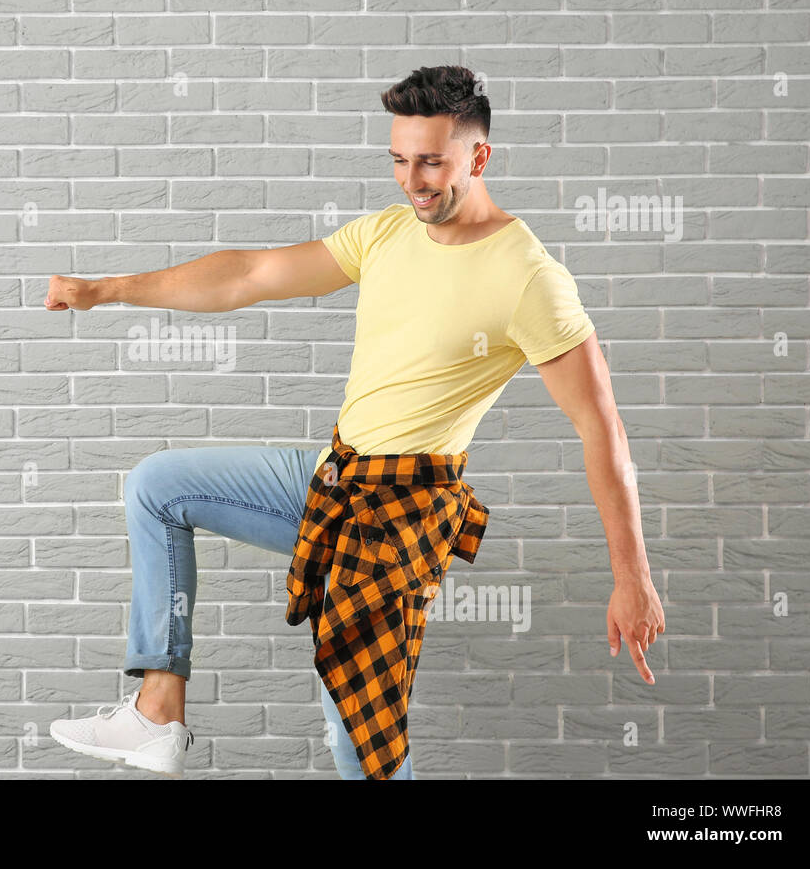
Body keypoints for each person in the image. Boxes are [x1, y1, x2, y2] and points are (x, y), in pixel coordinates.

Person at [43, 65, 666, 779]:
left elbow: (601, 426)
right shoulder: (386, 235)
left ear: (478, 156)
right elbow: (247, 274)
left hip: (401, 515)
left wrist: (633, 578)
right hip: (335, 477)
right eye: (400, 161)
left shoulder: (528, 276)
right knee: (158, 486)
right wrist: (110, 290)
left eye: (432, 161)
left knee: (358, 735)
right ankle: (156, 713)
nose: (414, 181)